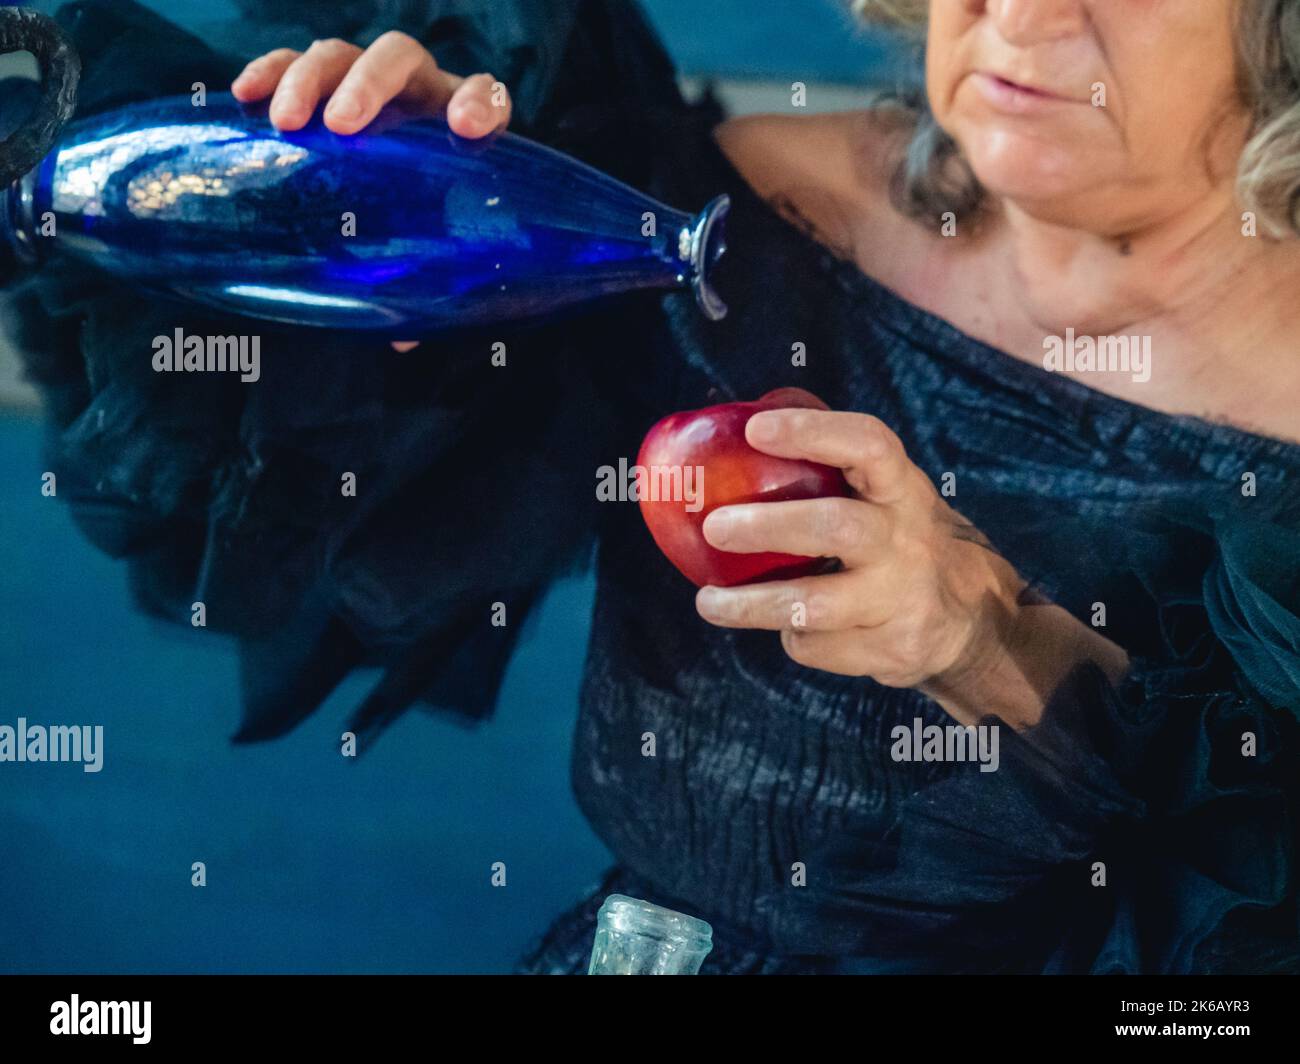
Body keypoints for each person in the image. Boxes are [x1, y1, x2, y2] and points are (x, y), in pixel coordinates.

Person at [7, 0, 1299, 973]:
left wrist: (984, 636)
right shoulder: (708, 201)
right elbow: (281, 521)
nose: (1020, 17)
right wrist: (399, 233)